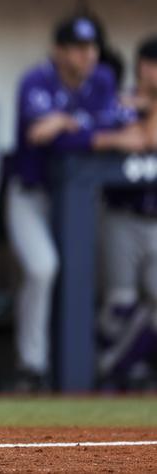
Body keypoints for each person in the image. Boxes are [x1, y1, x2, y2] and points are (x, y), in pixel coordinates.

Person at [6, 15, 141, 392]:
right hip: (32, 195)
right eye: (78, 49)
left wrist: (69, 124)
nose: (86, 56)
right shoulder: (37, 80)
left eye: (91, 48)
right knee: (42, 269)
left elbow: (112, 125)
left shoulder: (102, 80)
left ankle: (98, 365)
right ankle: (31, 367)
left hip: (80, 201)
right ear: (59, 51)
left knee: (88, 277)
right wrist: (97, 134)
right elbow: (42, 138)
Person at [98, 35, 157, 387]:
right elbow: (134, 136)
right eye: (149, 64)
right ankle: (113, 370)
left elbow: (150, 138)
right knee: (119, 303)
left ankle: (123, 367)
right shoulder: (120, 103)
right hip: (122, 216)